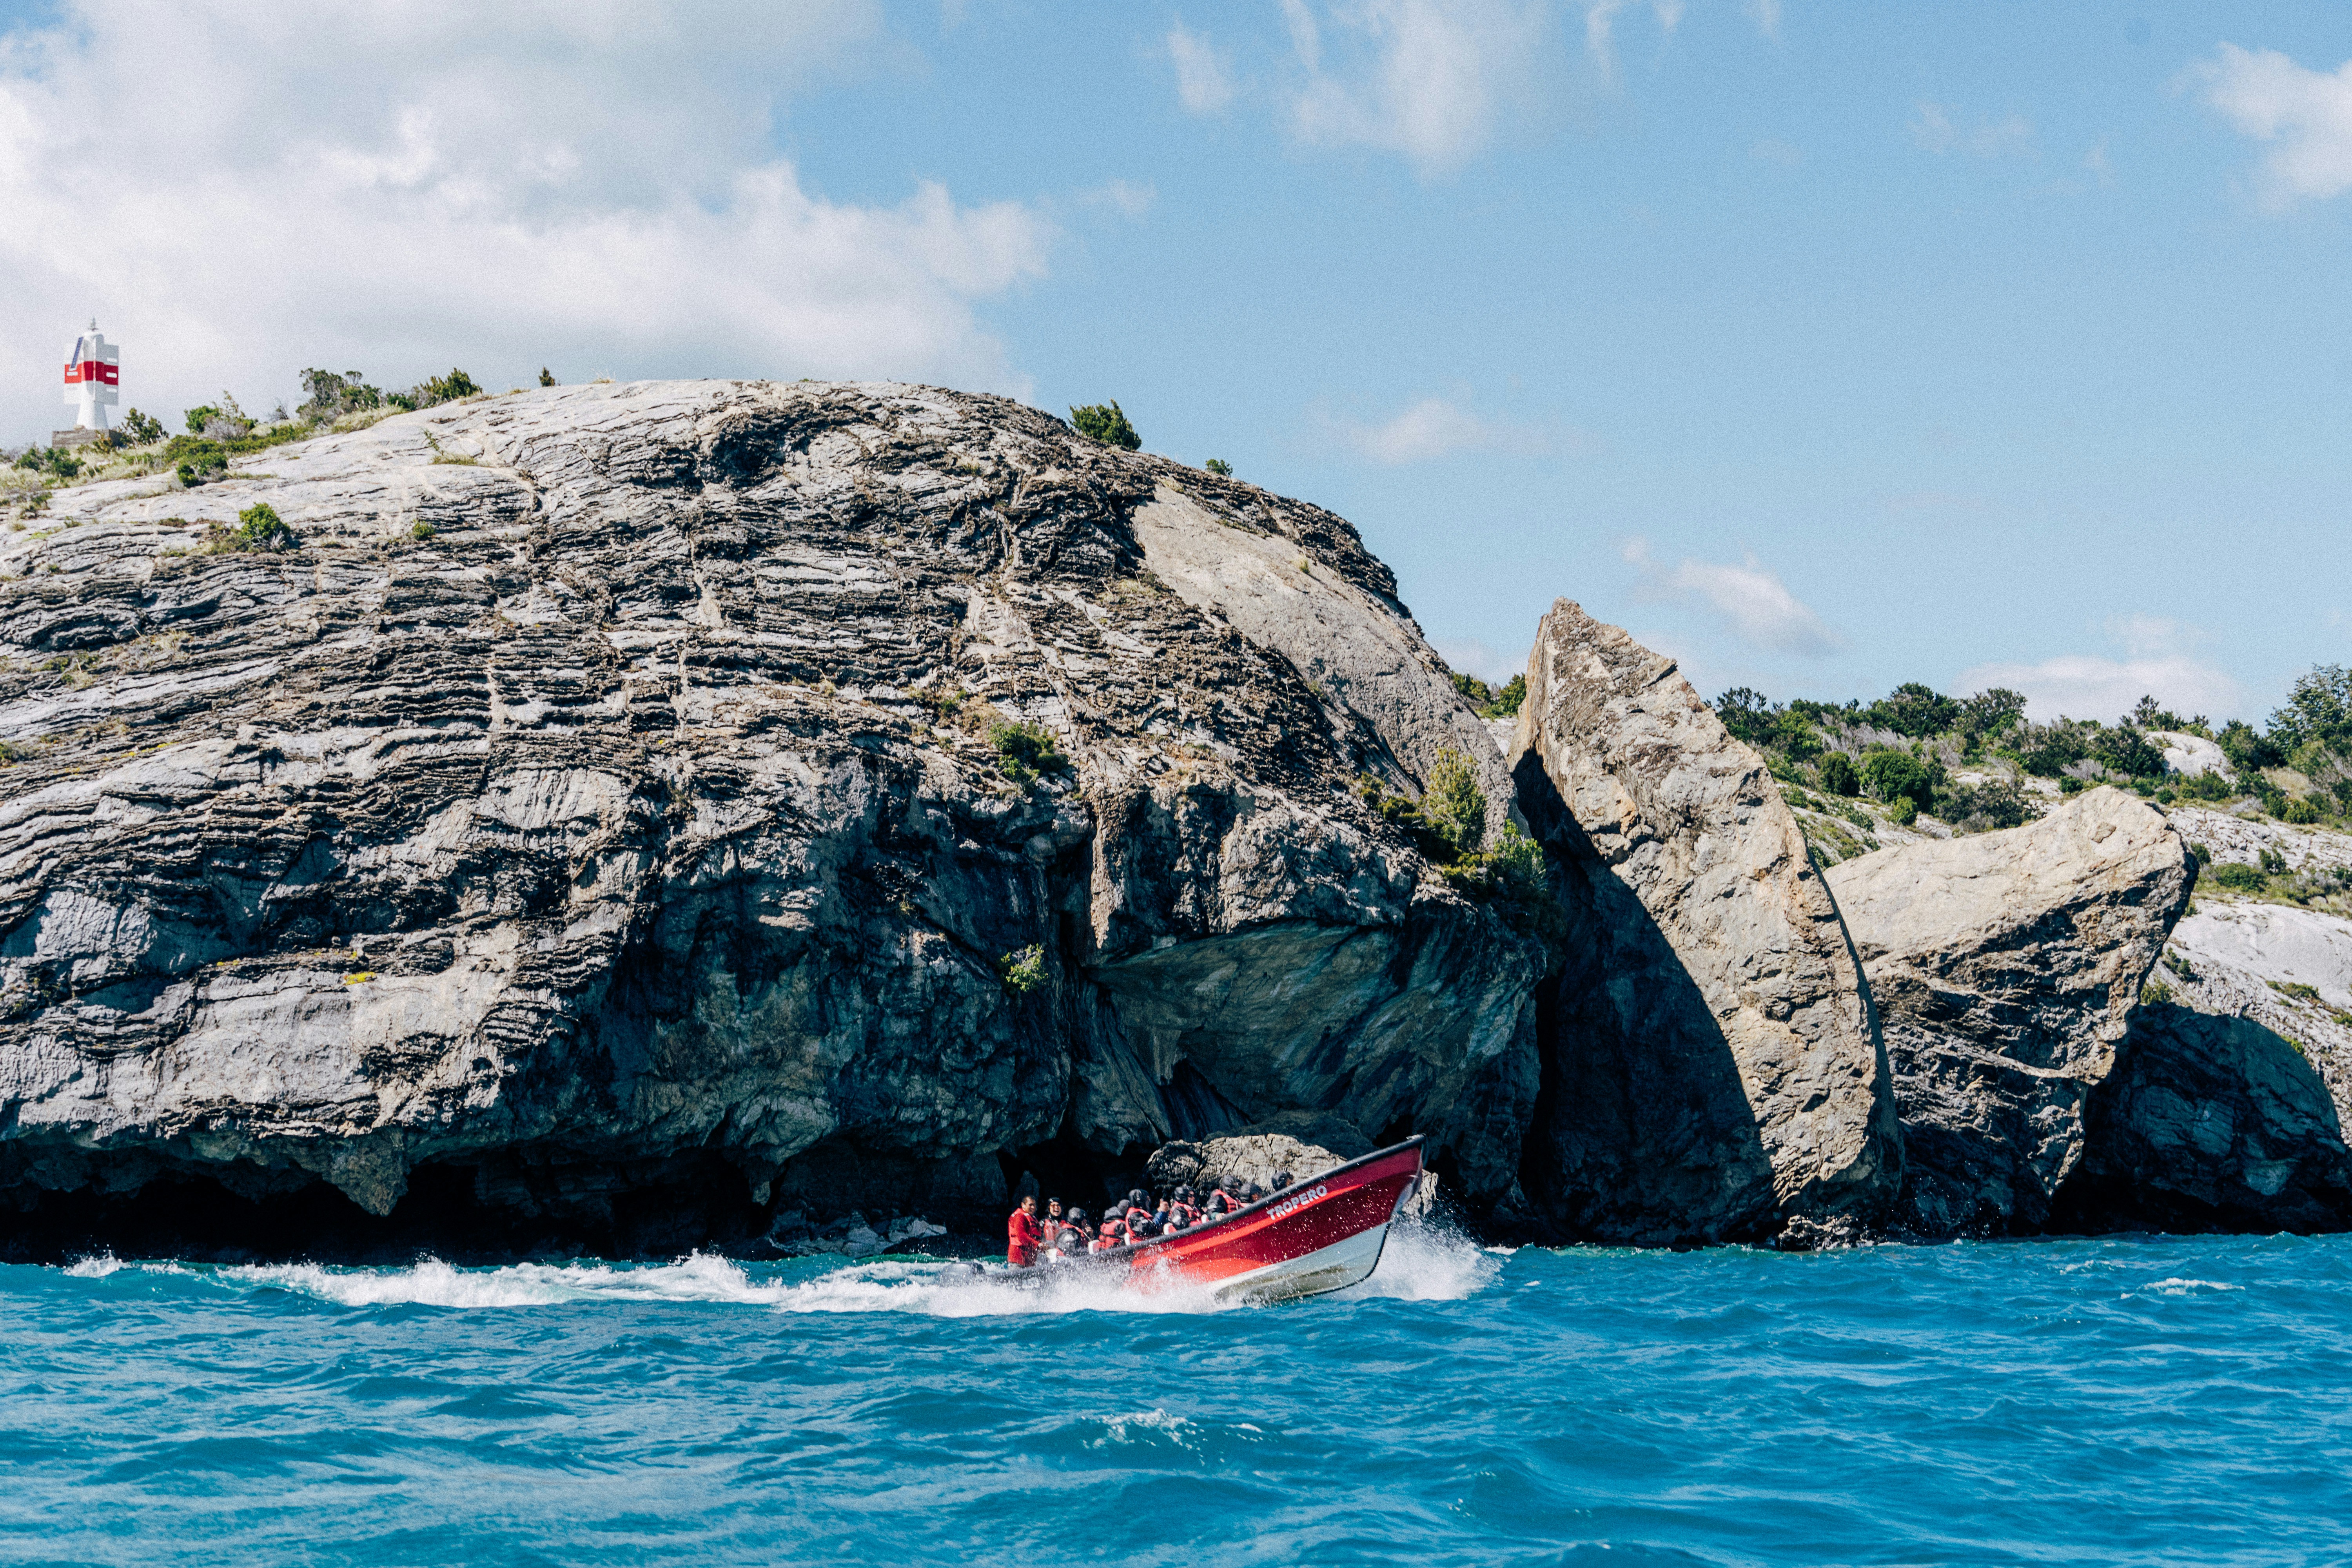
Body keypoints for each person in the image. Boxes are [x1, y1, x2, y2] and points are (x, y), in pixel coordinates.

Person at [1006, 1194, 1044, 1268]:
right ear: (1023, 1205)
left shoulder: (1032, 1218)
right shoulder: (1019, 1217)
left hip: (1028, 1260)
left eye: (1034, 1205)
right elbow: (1022, 1236)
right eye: (1030, 1205)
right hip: (1018, 1259)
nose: (1033, 1207)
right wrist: (1037, 1245)